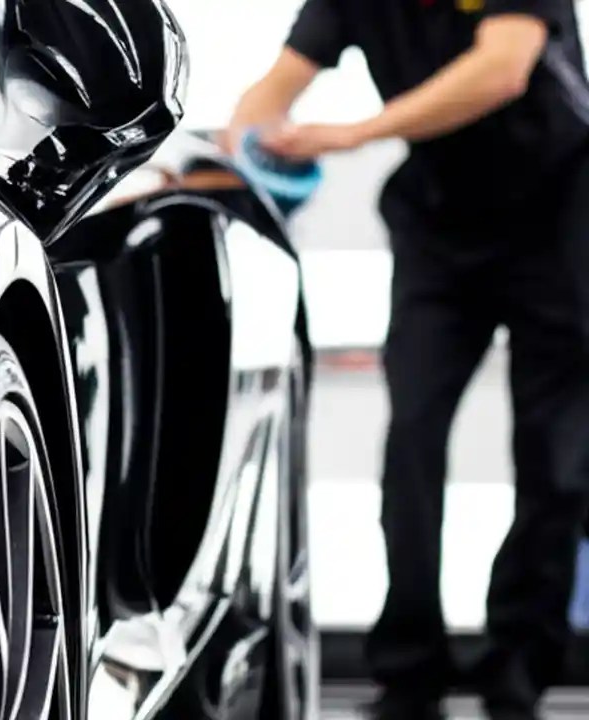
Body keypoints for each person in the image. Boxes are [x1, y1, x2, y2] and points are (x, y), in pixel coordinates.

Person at [224, 1, 589, 719]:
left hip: (559, 218)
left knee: (555, 458)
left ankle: (519, 667)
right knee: (412, 439)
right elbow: (272, 91)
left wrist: (353, 133)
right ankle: (409, 668)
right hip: (441, 228)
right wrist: (247, 145)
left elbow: (503, 67)